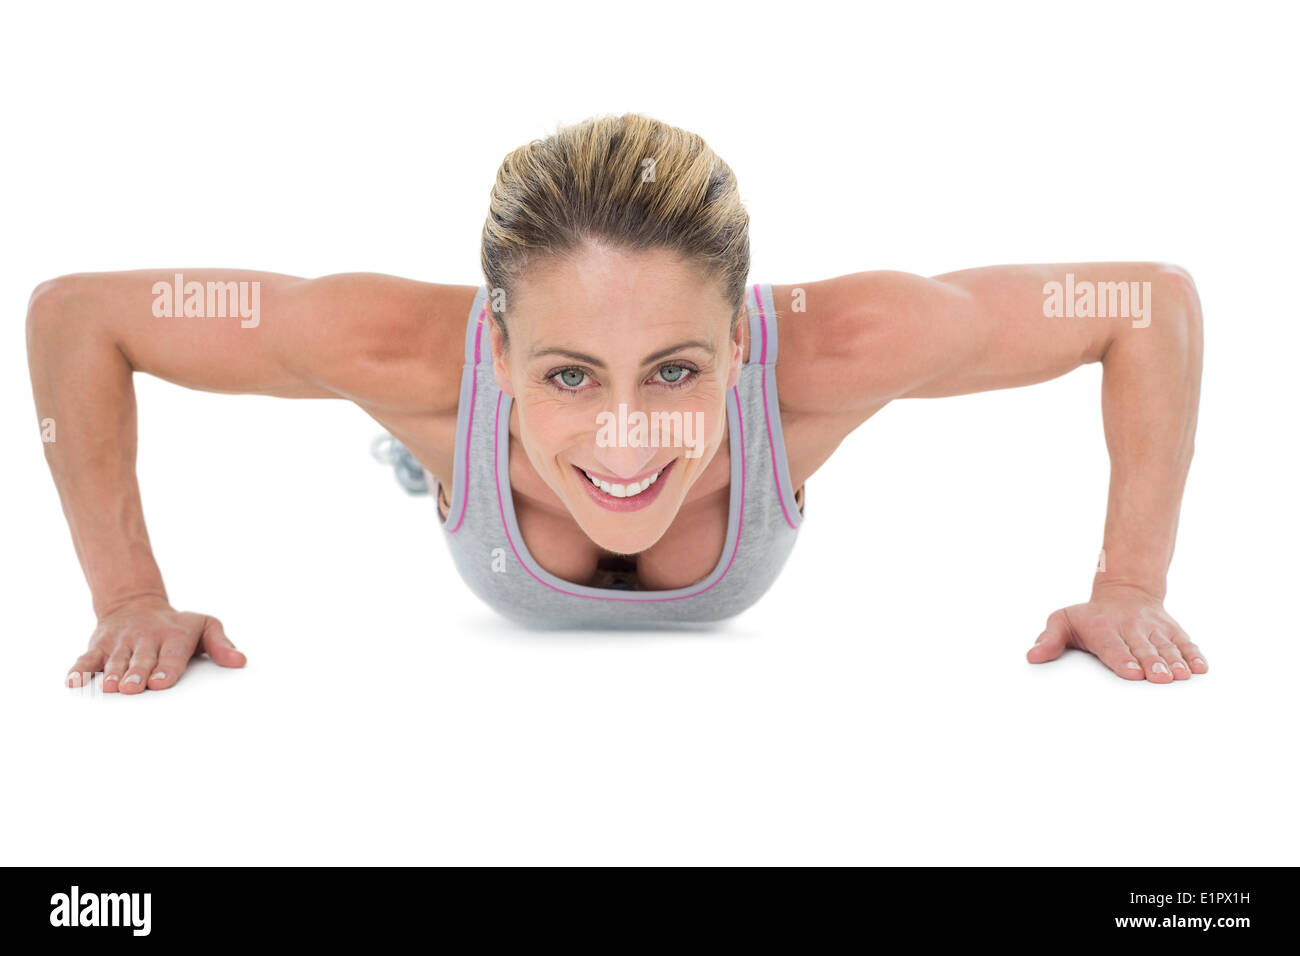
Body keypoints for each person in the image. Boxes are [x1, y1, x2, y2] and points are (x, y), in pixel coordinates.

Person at [26, 113, 1206, 694]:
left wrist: (1129, 587)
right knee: (416, 432)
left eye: (678, 370)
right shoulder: (399, 346)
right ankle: (434, 448)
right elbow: (80, 316)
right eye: (570, 373)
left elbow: (1143, 305)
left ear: (743, 345)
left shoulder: (841, 347)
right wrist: (128, 595)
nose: (630, 430)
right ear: (497, 348)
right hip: (453, 434)